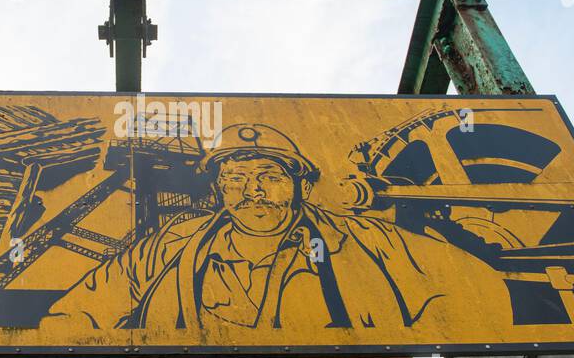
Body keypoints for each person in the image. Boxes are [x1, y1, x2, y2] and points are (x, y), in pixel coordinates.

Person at [39, 123, 513, 341]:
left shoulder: (365, 237)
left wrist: (407, 333)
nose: (252, 192)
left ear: (300, 185)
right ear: (219, 188)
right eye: (235, 179)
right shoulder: (175, 243)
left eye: (269, 177)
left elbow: (478, 286)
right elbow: (74, 312)